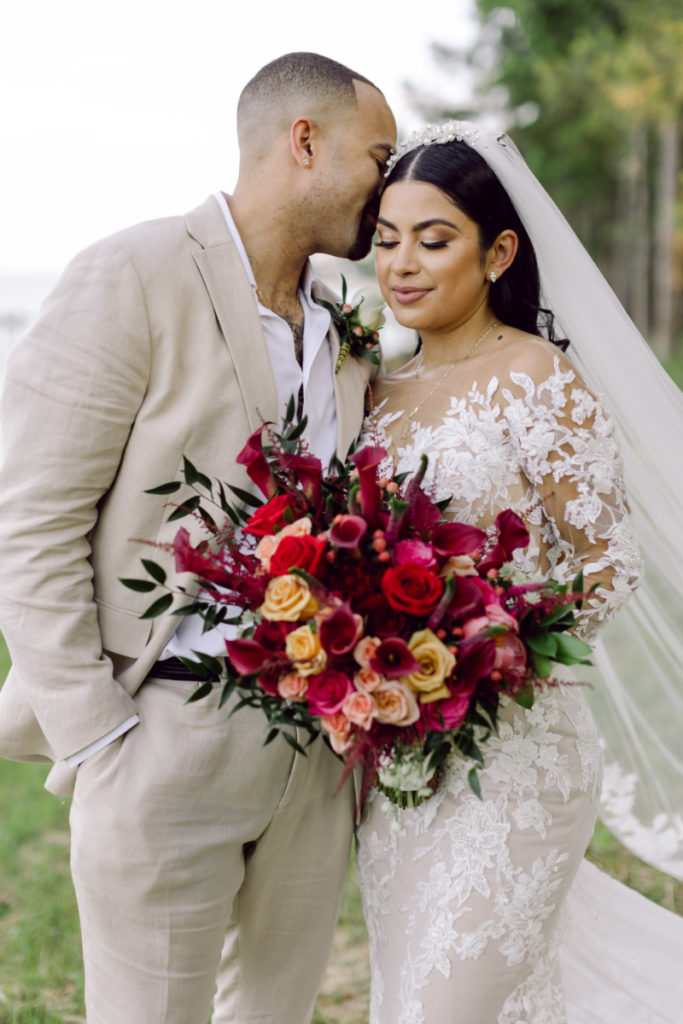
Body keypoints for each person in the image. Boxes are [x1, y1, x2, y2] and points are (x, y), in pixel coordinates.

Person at [0, 52, 396, 1024]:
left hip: (315, 755)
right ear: (304, 142)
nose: (391, 187)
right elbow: (30, 516)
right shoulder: (129, 273)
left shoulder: (343, 327)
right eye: (378, 157)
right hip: (161, 739)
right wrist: (100, 737)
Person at [355, 121, 683, 1022]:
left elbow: (605, 568)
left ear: (498, 251)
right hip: (403, 767)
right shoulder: (373, 393)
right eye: (386, 242)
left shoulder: (537, 376)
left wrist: (485, 644)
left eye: (434, 239)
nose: (403, 265)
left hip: (520, 759)